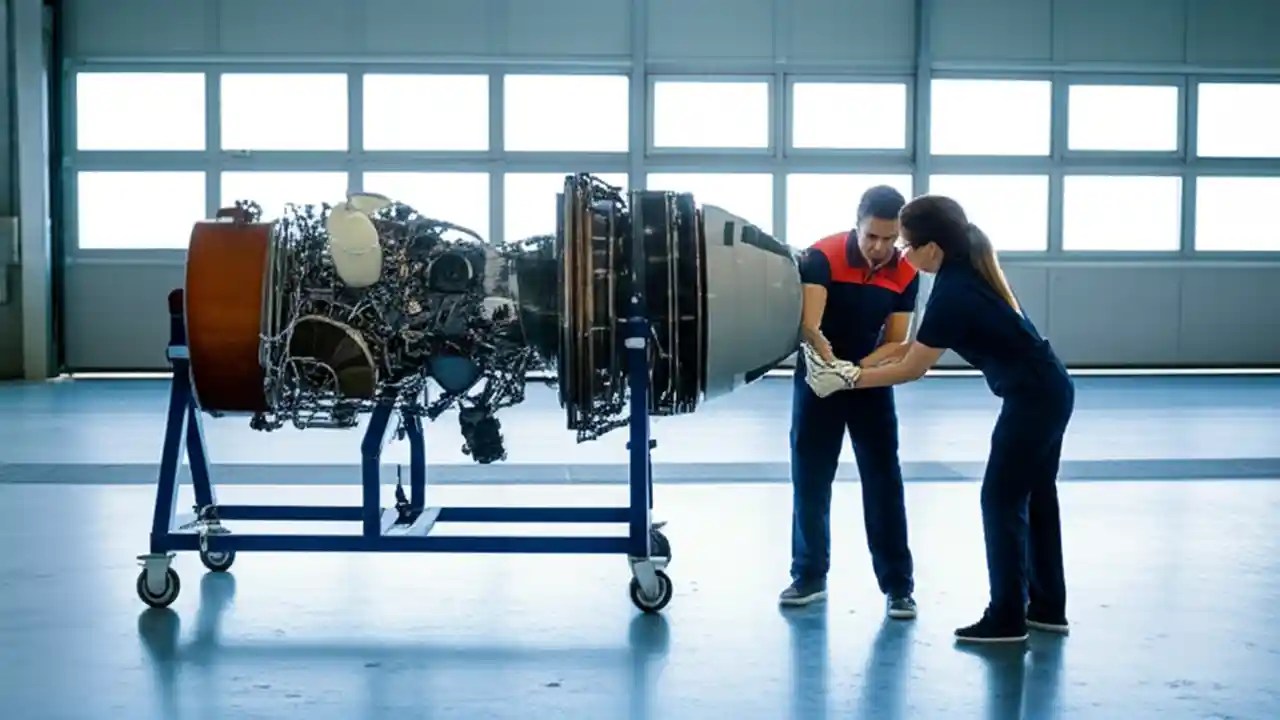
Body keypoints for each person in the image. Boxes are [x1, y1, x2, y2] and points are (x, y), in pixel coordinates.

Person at [846, 194, 1075, 643]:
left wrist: (848, 382)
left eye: (907, 246)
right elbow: (910, 349)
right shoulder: (967, 272)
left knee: (1001, 500)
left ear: (933, 248)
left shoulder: (954, 292)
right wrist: (859, 367)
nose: (902, 254)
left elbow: (913, 368)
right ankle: (1047, 607)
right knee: (1036, 496)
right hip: (1049, 389)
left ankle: (1007, 616)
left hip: (1032, 399)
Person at [780, 185, 920, 620]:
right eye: (871, 236)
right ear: (856, 225)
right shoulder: (821, 257)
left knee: (884, 481)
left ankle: (898, 586)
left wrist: (857, 372)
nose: (879, 247)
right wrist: (832, 370)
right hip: (819, 379)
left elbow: (896, 343)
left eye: (889, 238)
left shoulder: (906, 271)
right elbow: (811, 326)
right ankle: (809, 576)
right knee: (811, 477)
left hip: (868, 380)